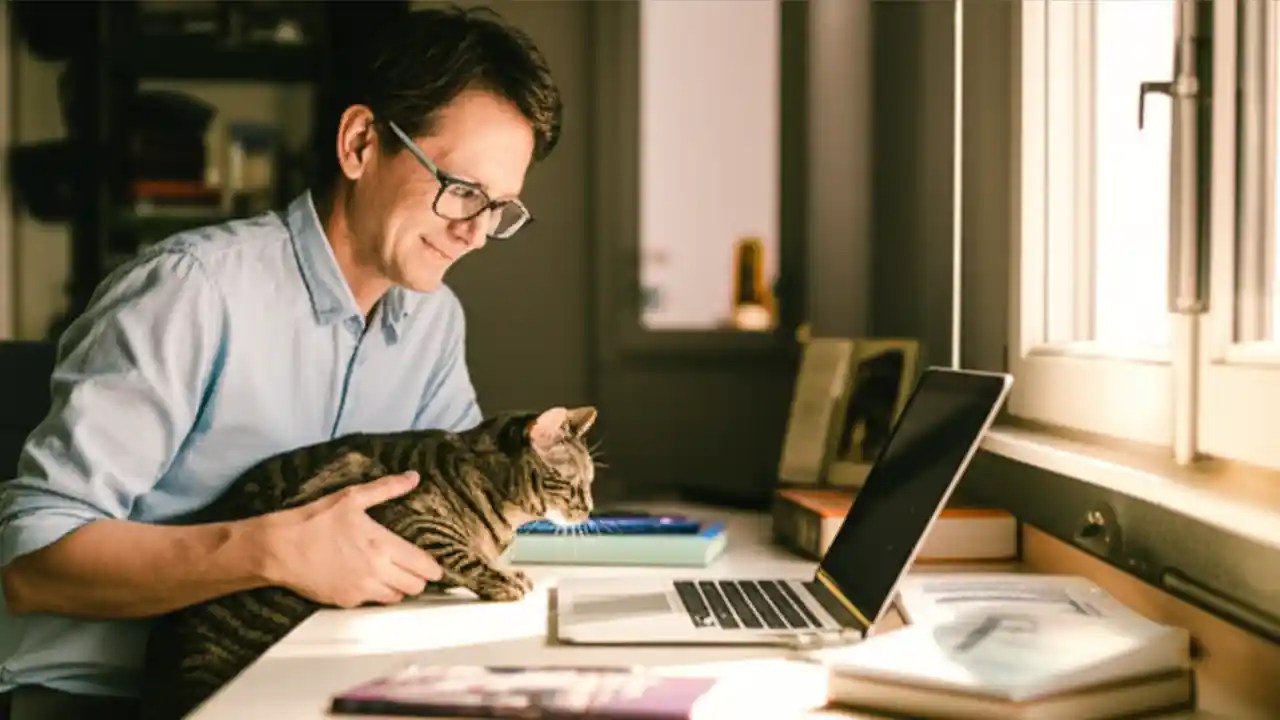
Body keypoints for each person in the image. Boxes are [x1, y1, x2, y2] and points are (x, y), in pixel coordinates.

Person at [0, 5, 562, 718]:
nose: (477, 233)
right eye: (462, 191)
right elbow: (33, 568)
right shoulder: (192, 292)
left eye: (501, 209)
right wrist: (266, 550)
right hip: (108, 699)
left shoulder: (432, 322)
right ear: (360, 144)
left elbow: (462, 512)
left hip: (304, 681)